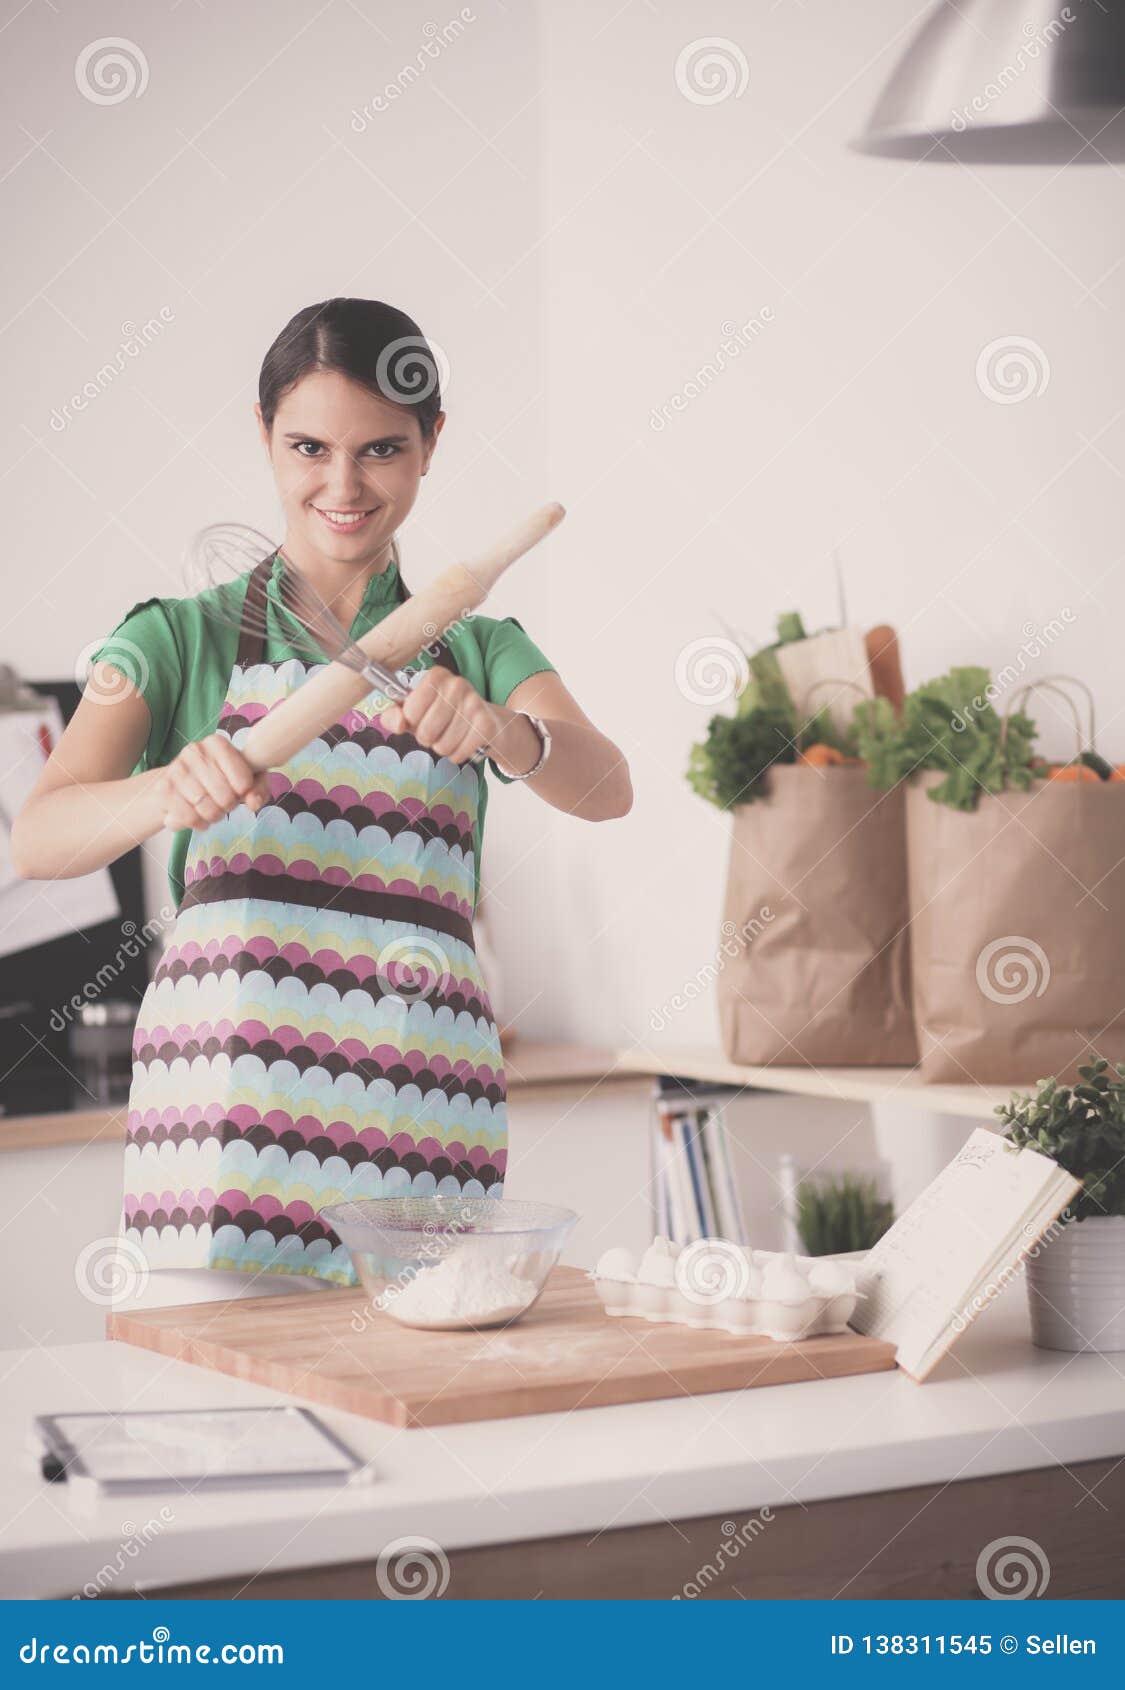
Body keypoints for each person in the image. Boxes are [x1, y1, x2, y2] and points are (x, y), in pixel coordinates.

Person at [12, 297, 632, 1309]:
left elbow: (608, 787)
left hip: (424, 1121)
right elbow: (38, 836)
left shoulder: (478, 647)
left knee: (416, 1443)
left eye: (382, 449)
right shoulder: (173, 639)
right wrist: (167, 788)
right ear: (265, 437)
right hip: (225, 1132)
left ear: (432, 444)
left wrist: (506, 734)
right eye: (309, 447)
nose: (342, 486)